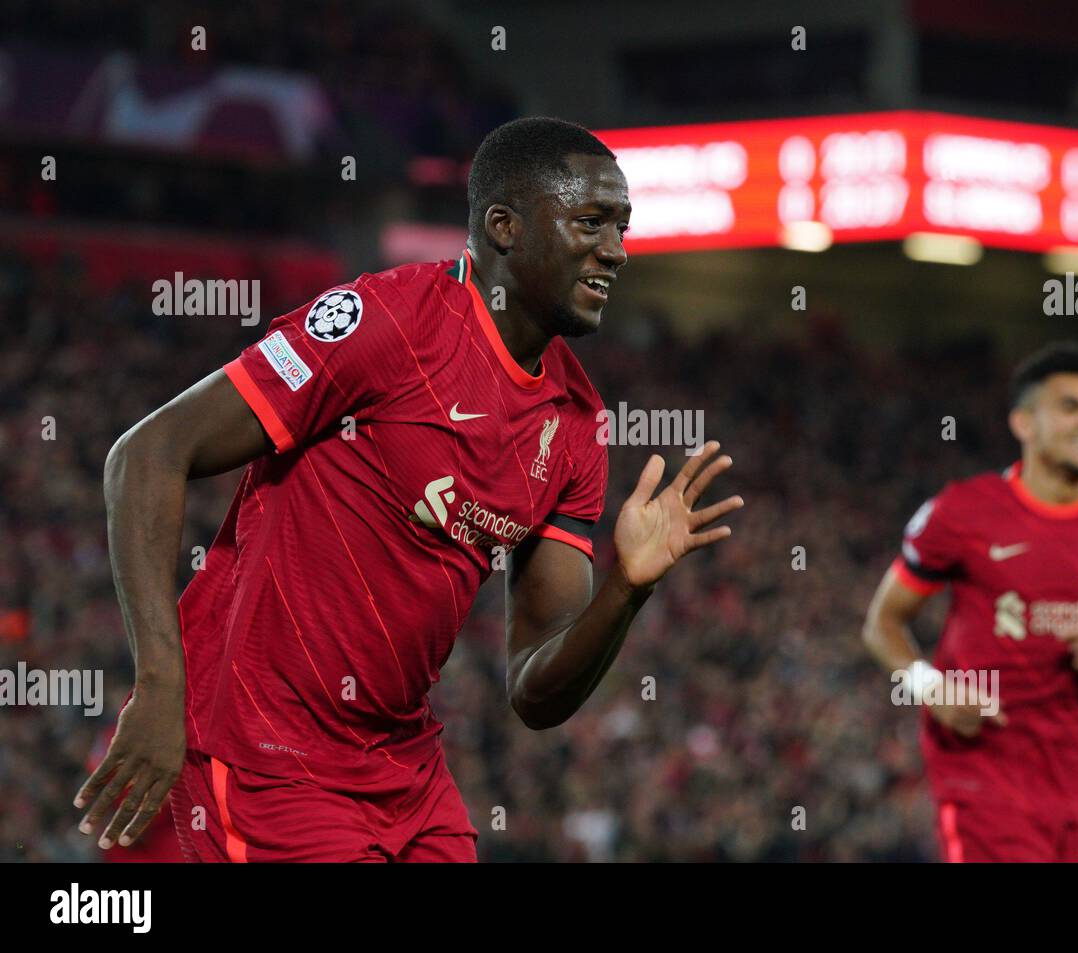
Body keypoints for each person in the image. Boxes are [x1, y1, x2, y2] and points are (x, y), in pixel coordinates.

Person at [75, 117, 743, 862]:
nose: (616, 252)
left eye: (623, 227)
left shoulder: (578, 426)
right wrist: (160, 687)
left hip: (404, 773)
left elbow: (533, 689)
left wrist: (626, 589)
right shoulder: (386, 324)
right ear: (504, 228)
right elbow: (147, 453)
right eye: (591, 223)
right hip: (265, 751)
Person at [861, 342, 1078, 862]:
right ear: (1024, 423)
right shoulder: (964, 511)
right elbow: (882, 625)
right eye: (1070, 407)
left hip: (1072, 783)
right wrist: (930, 688)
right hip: (980, 771)